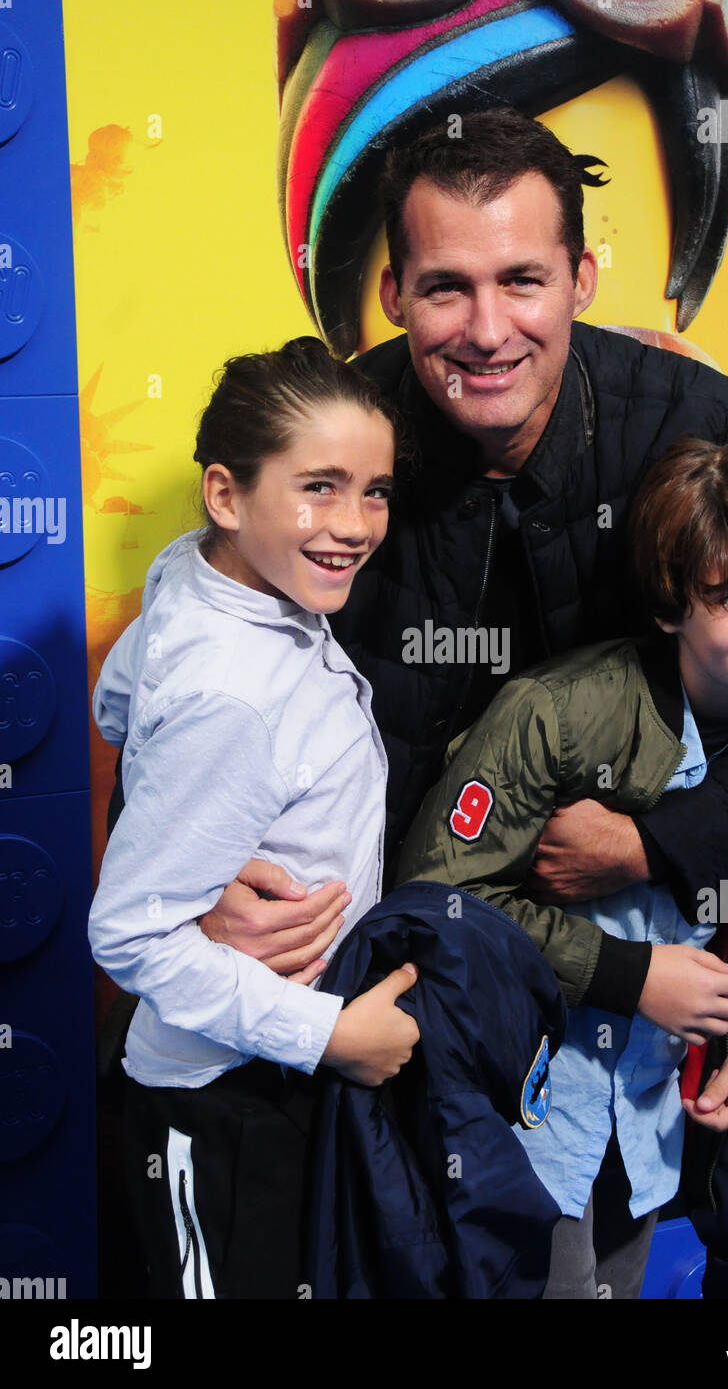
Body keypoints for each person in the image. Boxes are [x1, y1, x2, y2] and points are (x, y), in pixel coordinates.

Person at [198, 109, 728, 1298]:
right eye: (444, 288)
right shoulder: (332, 443)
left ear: (580, 277)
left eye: (522, 280)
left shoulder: (694, 422)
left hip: (677, 927)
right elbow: (202, 645)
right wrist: (202, 868)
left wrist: (655, 846)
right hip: (431, 951)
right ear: (388, 292)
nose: (486, 331)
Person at [394, 436, 728, 1298]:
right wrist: (629, 973)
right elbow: (436, 900)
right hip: (531, 1097)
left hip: (644, 1104)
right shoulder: (556, 717)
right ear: (668, 605)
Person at [89, 338, 420, 1299]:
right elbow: (128, 931)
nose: (354, 525)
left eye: (375, 491)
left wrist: (206, 837)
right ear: (227, 496)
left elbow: (121, 701)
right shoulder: (234, 693)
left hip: (276, 1080)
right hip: (223, 1101)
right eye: (318, 487)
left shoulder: (197, 575)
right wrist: (328, 1038)